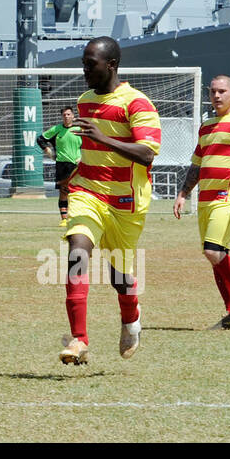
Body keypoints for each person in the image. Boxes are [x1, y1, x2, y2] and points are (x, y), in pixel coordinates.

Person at [59, 36, 161, 365]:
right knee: (77, 253)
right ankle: (79, 339)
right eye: (83, 64)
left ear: (111, 65)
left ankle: (131, 320)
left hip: (126, 203)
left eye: (91, 65)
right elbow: (92, 152)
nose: (85, 70)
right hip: (87, 193)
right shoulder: (85, 100)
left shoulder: (137, 104)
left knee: (120, 278)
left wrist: (104, 137)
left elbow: (146, 154)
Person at [173, 75, 230, 328]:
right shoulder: (207, 126)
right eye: (213, 91)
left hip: (228, 198)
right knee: (215, 255)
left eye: (222, 91)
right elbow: (197, 164)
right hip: (205, 200)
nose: (217, 96)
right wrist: (183, 193)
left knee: (213, 251)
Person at [37, 107, 81, 228]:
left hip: (77, 165)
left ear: (73, 116)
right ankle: (64, 219)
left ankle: (77, 217)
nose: (66, 116)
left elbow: (89, 143)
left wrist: (82, 157)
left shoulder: (79, 129)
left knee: (78, 192)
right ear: (62, 117)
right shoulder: (56, 129)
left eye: (68, 114)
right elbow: (40, 139)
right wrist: (48, 151)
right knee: (63, 192)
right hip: (62, 164)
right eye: (64, 115)